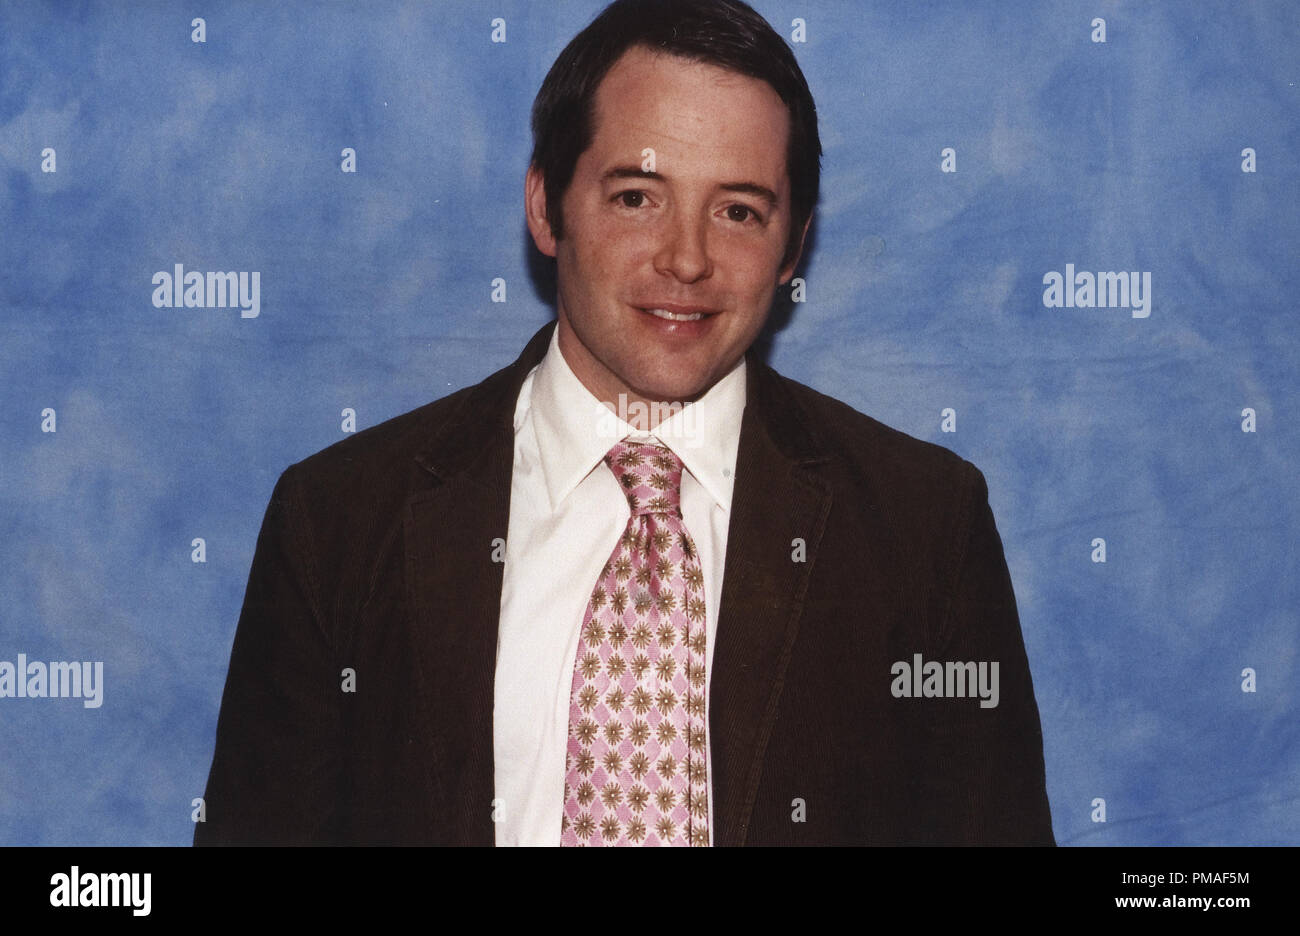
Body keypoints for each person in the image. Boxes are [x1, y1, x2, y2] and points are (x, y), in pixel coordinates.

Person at [196, 0, 1053, 846]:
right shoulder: (340, 521)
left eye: (739, 210)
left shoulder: (925, 528)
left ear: (794, 247)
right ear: (545, 207)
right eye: (639, 197)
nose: (687, 258)